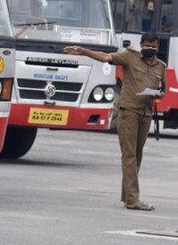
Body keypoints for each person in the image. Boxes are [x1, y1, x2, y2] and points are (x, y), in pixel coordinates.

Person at [64, 32, 165, 211]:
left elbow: (162, 90)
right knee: (129, 155)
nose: (151, 49)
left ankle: (128, 196)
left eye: (154, 46)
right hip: (129, 112)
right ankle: (133, 200)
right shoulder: (129, 56)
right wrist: (83, 51)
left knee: (137, 155)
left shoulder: (160, 66)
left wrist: (159, 94)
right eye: (148, 45)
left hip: (146, 113)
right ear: (141, 44)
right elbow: (105, 57)